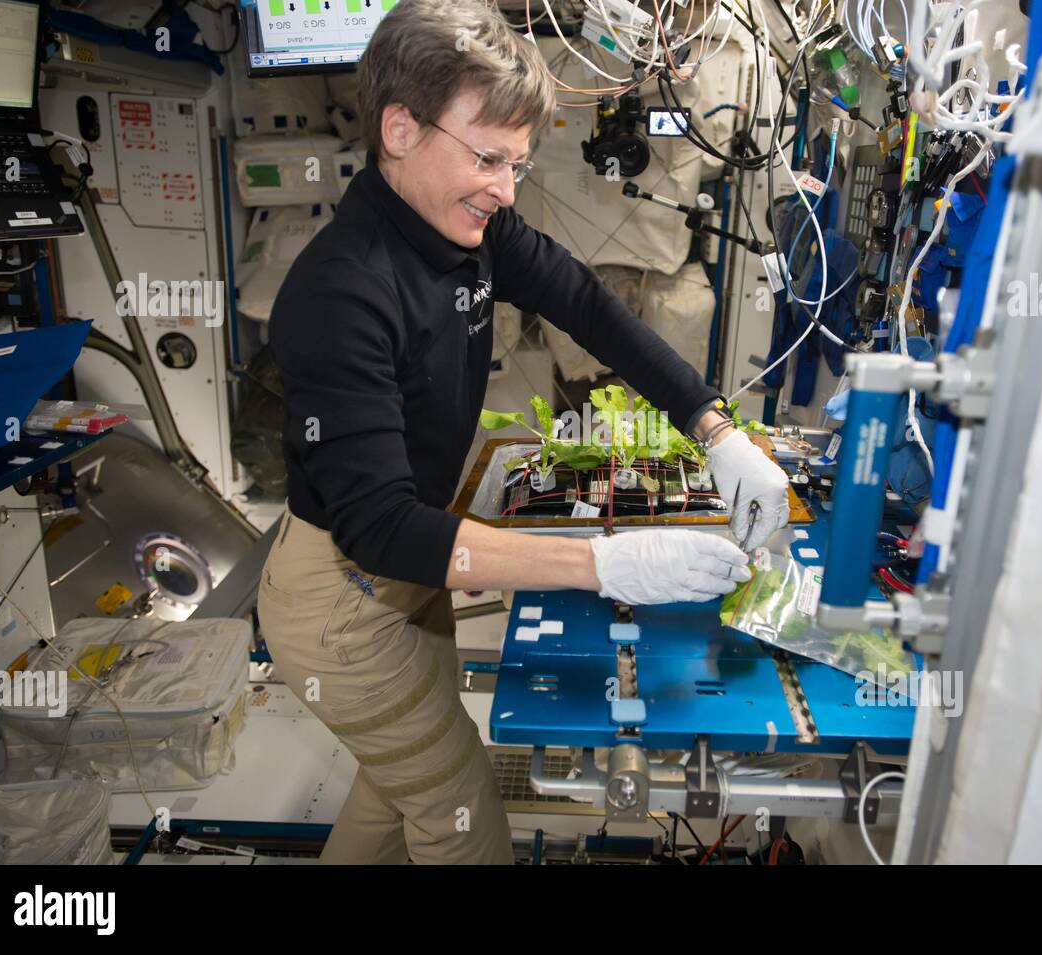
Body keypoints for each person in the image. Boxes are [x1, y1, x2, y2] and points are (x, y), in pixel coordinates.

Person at [259, 0, 789, 864]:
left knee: (396, 787)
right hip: (342, 600)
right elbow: (380, 525)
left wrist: (714, 427)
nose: (506, 190)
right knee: (457, 809)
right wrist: (604, 562)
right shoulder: (339, 294)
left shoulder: (470, 226)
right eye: (488, 159)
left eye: (518, 164)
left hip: (407, 577)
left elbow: (586, 304)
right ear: (400, 127)